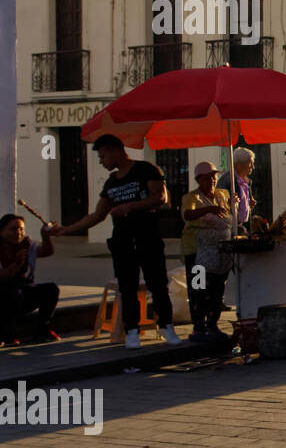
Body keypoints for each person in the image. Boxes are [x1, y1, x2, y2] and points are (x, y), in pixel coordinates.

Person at [47, 135, 183, 349]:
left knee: (157, 283)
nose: (101, 161)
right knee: (126, 286)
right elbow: (97, 215)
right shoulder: (111, 182)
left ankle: (167, 327)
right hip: (122, 240)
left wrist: (130, 206)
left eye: (102, 156)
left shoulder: (146, 169)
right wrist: (66, 230)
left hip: (147, 235)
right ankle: (131, 332)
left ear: (115, 150)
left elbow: (160, 198)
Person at [180, 161, 233, 340]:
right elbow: (188, 214)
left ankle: (213, 324)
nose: (212, 180)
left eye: (213, 176)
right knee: (198, 289)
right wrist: (208, 209)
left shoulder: (222, 194)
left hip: (219, 251)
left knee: (217, 288)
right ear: (198, 179)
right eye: (207, 177)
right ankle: (198, 327)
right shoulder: (191, 198)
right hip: (195, 252)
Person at [0, 213, 59, 345]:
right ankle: (5, 333)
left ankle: (43, 330)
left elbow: (46, 251)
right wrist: (17, 262)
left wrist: (46, 236)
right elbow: (3, 276)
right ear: (1, 230)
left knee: (51, 289)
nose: (18, 233)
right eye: (13, 229)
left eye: (21, 229)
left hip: (20, 290)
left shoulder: (26, 245)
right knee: (13, 294)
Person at [218, 147, 256, 231]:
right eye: (250, 164)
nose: (253, 167)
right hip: (229, 228)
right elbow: (221, 207)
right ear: (239, 165)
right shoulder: (228, 181)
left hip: (241, 226)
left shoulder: (247, 182)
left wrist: (249, 205)